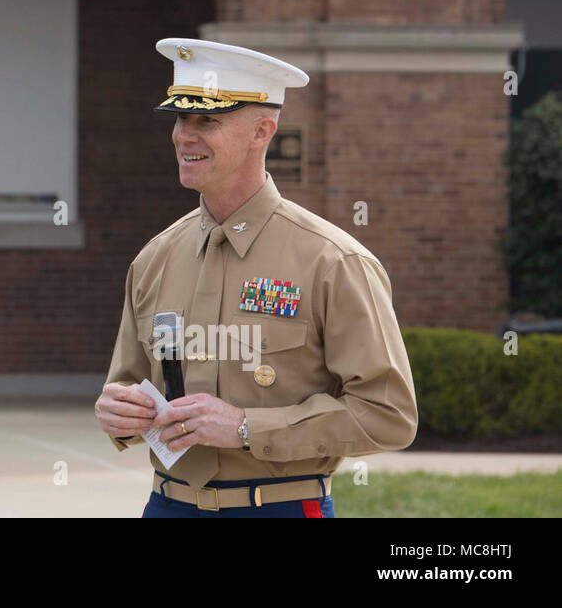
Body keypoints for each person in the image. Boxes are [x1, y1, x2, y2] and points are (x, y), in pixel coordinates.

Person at [95, 38, 418, 517]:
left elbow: (389, 416)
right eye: (180, 118)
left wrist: (247, 427)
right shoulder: (154, 258)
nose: (185, 135)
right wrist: (118, 414)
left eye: (208, 120)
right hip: (167, 506)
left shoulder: (333, 262)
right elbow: (129, 386)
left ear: (262, 130)